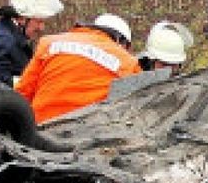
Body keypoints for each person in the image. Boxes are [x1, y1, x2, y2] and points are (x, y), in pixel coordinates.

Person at [14, 13, 142, 123]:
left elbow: (22, 93)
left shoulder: (49, 43)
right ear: (121, 41)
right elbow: (137, 112)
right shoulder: (127, 63)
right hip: (86, 138)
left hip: (38, 130)